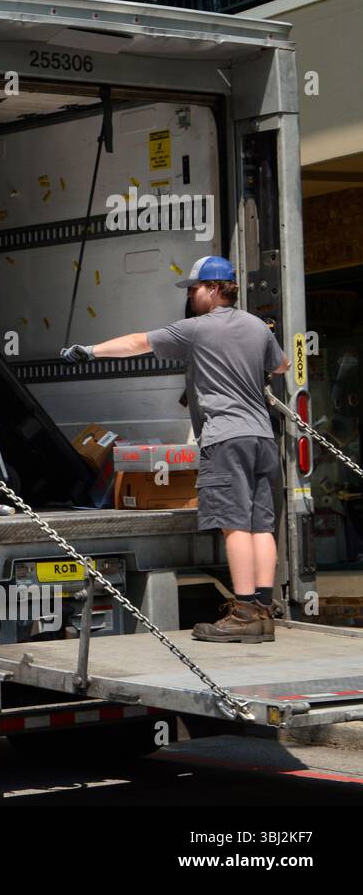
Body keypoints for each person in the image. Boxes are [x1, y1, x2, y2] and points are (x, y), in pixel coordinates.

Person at [60, 255, 291, 643]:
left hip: (226, 438)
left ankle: (245, 612)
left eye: (195, 289)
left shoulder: (197, 329)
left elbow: (138, 342)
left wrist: (90, 350)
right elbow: (282, 365)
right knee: (262, 525)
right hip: (262, 438)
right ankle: (264, 611)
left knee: (234, 524)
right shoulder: (256, 327)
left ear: (216, 288)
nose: (191, 296)